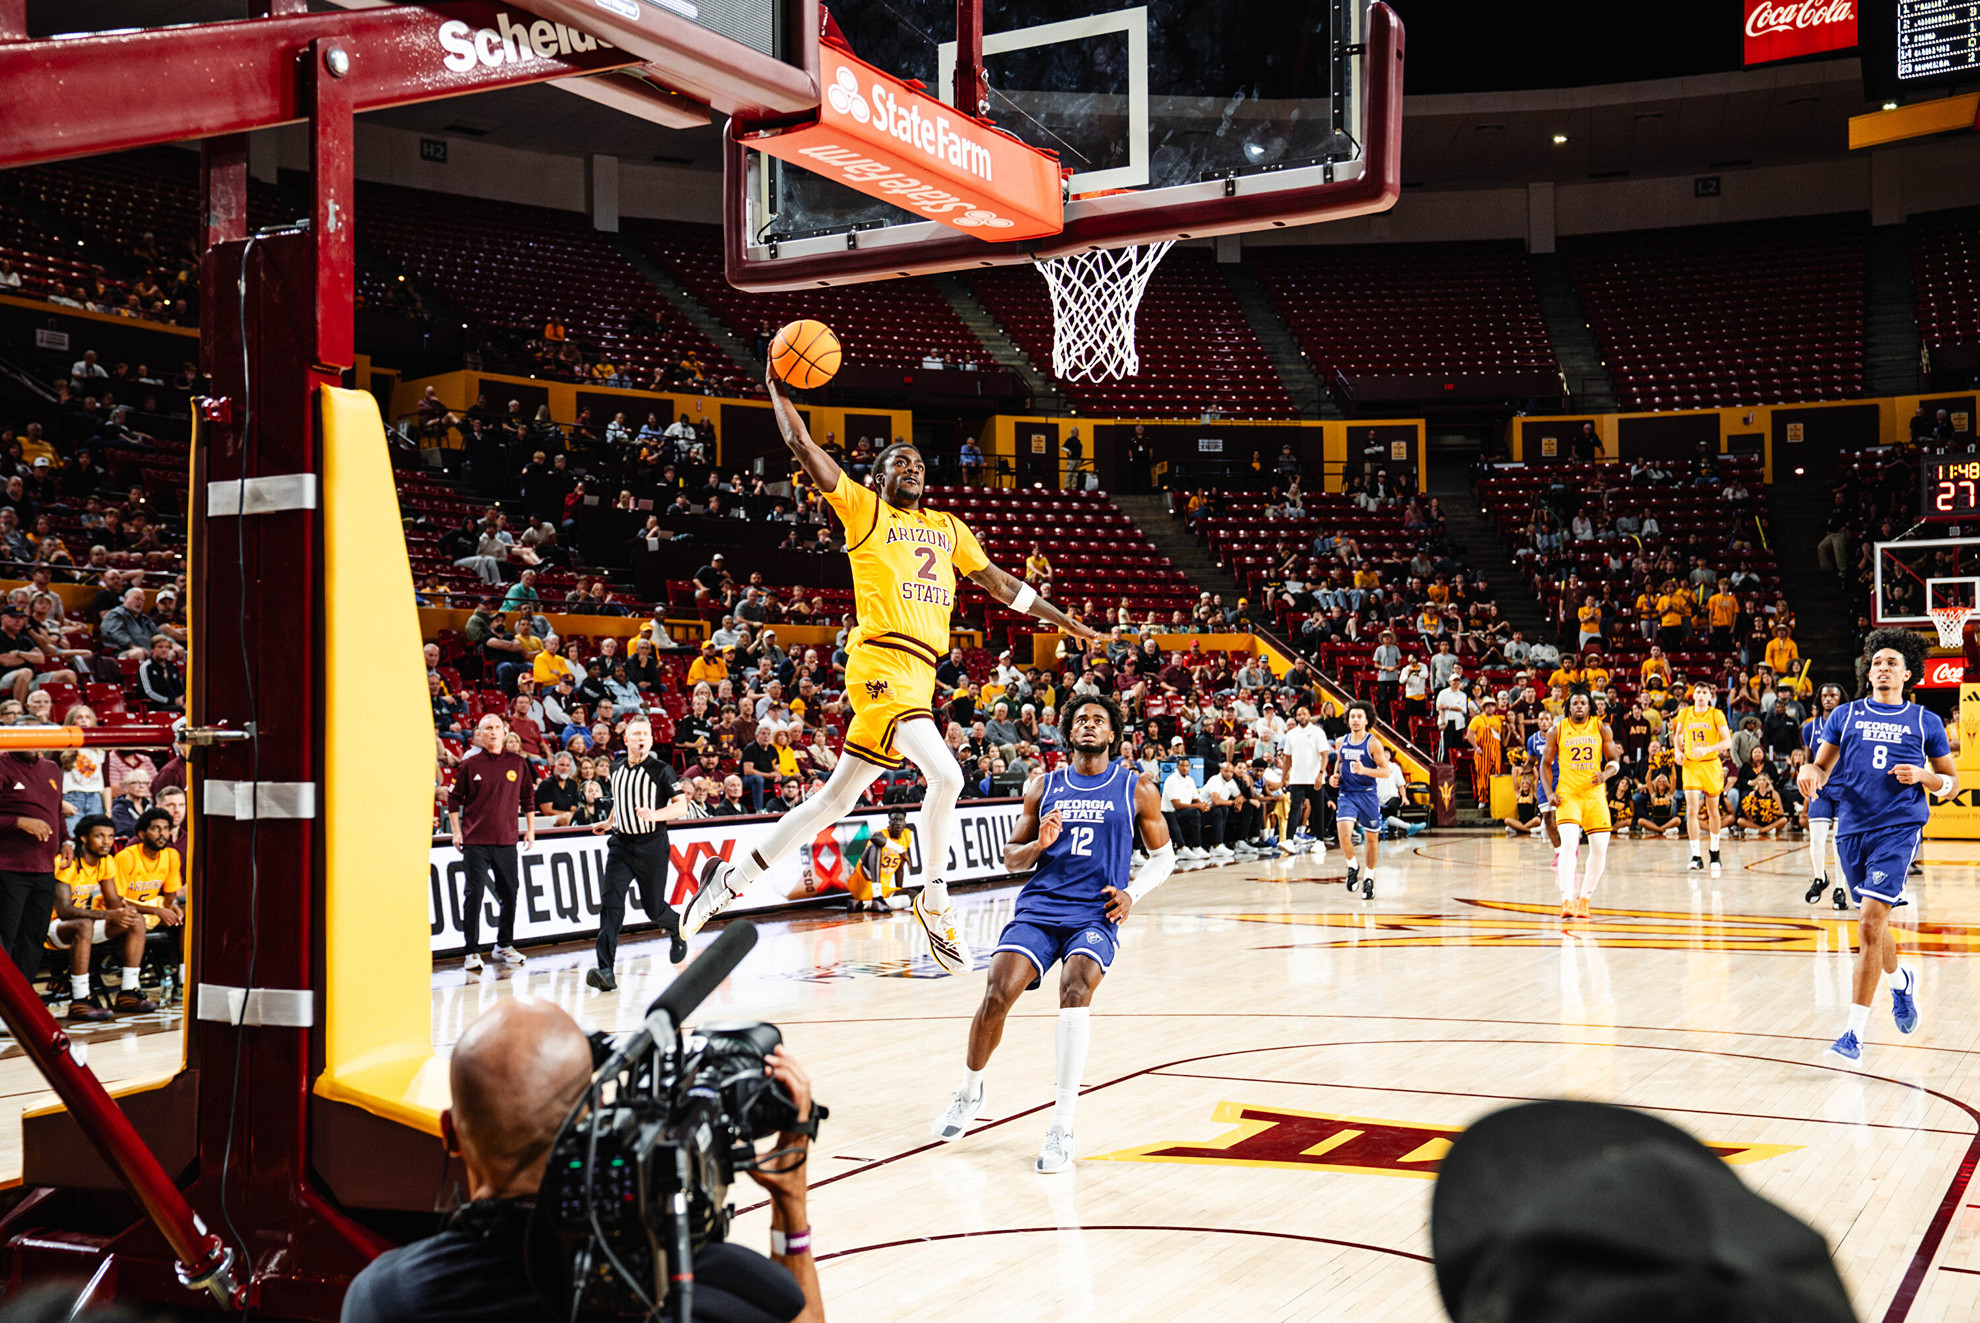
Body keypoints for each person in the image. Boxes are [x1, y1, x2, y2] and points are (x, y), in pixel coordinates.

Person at [685, 366, 1100, 976]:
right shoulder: (863, 510)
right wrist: (776, 390)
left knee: (835, 800)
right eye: (900, 463)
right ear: (878, 477)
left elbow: (1000, 582)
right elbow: (802, 445)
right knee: (949, 776)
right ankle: (932, 897)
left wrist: (1066, 622)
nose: (913, 470)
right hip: (880, 659)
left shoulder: (946, 528)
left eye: (919, 465)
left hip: (922, 672)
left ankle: (733, 876)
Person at [339, 998, 824, 1323]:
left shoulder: (382, 1299)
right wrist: (790, 1205)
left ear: (450, 1134)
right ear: (592, 1120)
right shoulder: (705, 1284)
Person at [930, 694, 1176, 1173]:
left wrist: (1132, 894)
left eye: (1098, 720)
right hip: (1041, 907)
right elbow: (1010, 857)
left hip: (1095, 913)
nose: (1088, 725)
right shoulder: (1044, 786)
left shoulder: (1137, 788)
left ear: (1113, 734)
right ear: (1069, 730)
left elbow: (1163, 857)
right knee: (998, 993)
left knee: (1076, 988)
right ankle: (969, 1092)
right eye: (1080, 718)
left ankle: (1061, 1126)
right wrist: (1037, 846)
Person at [1798, 630, 1953, 1065]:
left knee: (1867, 923)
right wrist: (1809, 772)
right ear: (1869, 672)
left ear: (1908, 674)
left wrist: (1924, 777)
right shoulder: (1845, 716)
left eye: (1892, 662)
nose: (1883, 667)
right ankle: (1901, 980)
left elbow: (1951, 783)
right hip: (1851, 828)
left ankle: (1853, 1035)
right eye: (1878, 661)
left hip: (1898, 829)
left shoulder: (1926, 721)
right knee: (1874, 925)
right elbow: (1820, 765)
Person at [587, 715, 689, 990]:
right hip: (621, 845)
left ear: (651, 740)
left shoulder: (661, 770)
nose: (642, 738)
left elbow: (681, 808)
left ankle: (677, 927)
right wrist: (608, 822)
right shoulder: (615, 766)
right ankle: (606, 970)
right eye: (637, 734)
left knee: (653, 908)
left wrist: (654, 814)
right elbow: (620, 800)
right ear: (626, 739)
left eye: (646, 734)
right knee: (611, 905)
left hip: (652, 846)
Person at [447, 714, 534, 974]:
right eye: (488, 728)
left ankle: (504, 944)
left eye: (497, 727)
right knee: (474, 895)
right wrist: (456, 832)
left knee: (510, 893)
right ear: (480, 734)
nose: (493, 732)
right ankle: (471, 951)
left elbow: (528, 798)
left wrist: (529, 830)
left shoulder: (518, 763)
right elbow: (453, 801)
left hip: (507, 841)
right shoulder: (469, 764)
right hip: (476, 841)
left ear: (504, 731)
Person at [47, 815, 147, 1020]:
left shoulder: (106, 861)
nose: (106, 842)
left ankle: (129, 991)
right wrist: (107, 914)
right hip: (51, 927)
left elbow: (113, 903)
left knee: (135, 920)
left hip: (82, 927)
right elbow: (64, 910)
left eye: (110, 837)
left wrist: (122, 913)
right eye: (99, 836)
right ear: (84, 838)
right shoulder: (66, 861)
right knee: (84, 925)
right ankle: (80, 999)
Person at [1543, 689, 1621, 921]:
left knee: (1599, 850)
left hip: (1595, 797)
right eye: (1575, 702)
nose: (1579, 706)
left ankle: (1585, 899)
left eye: (1583, 703)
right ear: (1568, 707)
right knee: (1568, 845)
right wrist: (1549, 792)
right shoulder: (1557, 730)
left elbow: (1615, 761)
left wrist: (1606, 775)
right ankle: (1567, 898)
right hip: (1569, 795)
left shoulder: (1601, 728)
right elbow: (1545, 764)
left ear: (1590, 707)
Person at [0, 742, 64, 982]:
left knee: (34, 936)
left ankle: (24, 1001)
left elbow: (56, 811)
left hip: (45, 868)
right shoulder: (2, 765)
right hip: (9, 868)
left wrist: (66, 840)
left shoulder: (51, 768)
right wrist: (18, 822)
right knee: (7, 935)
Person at [109, 807, 184, 995]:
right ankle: (130, 988)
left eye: (166, 829)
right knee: (136, 920)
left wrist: (174, 908)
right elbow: (117, 902)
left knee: (188, 910)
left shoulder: (171, 855)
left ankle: (184, 979)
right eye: (156, 829)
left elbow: (170, 895)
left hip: (152, 910)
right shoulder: (126, 857)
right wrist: (157, 911)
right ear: (142, 834)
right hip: (121, 912)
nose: (162, 834)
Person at [1670, 682, 1733, 877]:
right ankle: (1695, 856)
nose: (1700, 695)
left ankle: (1715, 852)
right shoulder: (1686, 713)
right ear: (1693, 694)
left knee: (1713, 810)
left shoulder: (1716, 714)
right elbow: (1677, 735)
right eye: (1698, 692)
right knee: (1691, 810)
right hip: (1690, 766)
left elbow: (1727, 741)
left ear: (1709, 696)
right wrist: (1678, 751)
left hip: (1710, 764)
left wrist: (1707, 748)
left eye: (1704, 692)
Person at [1330, 702, 1391, 899]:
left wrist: (1364, 770)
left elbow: (1386, 771)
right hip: (1347, 793)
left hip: (1367, 794)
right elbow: (1339, 765)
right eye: (1352, 716)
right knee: (1344, 834)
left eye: (1359, 717)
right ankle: (1352, 865)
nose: (1355, 720)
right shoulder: (1341, 742)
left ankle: (1369, 879)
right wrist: (1334, 777)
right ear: (1348, 720)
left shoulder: (1373, 743)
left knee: (1371, 839)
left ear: (1367, 720)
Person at [1802, 682, 1848, 909]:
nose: (1829, 699)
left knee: (1840, 843)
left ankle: (1840, 888)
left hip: (1845, 790)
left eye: (1834, 695)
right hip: (1819, 789)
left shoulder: (1850, 725)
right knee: (1817, 840)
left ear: (1841, 699)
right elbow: (1809, 760)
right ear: (1819, 699)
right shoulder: (1810, 728)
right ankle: (1820, 877)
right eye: (1825, 696)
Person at [1280, 703, 1330, 856]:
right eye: (1299, 714)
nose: (1302, 716)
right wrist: (1283, 778)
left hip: (1314, 777)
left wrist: (1321, 773)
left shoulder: (1317, 732)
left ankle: (1320, 840)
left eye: (1304, 714)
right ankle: (1289, 840)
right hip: (1296, 778)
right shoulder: (1291, 734)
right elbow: (1287, 759)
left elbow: (1324, 755)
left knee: (1317, 810)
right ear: (1296, 717)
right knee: (1295, 808)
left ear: (1310, 715)